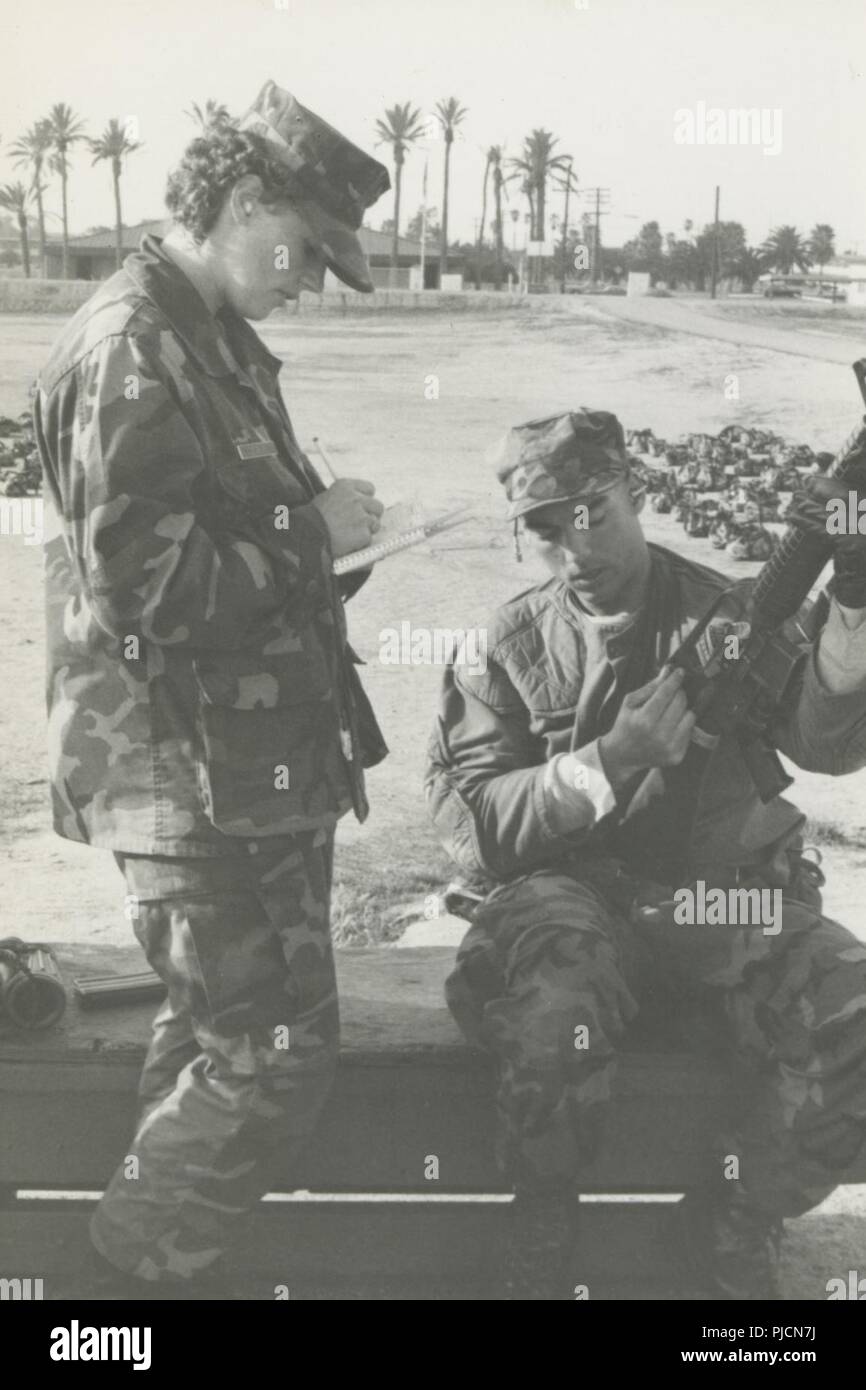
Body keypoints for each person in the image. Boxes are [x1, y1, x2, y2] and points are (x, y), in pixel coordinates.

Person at [34, 80, 390, 1298]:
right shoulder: (134, 345)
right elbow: (147, 588)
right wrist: (314, 528)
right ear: (245, 201)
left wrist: (304, 528)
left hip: (239, 770)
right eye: (306, 250)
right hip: (187, 777)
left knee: (211, 1039)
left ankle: (162, 1277)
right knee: (273, 1056)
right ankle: (110, 1292)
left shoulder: (205, 333)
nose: (309, 280)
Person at [425, 408, 866, 1300]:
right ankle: (545, 1216)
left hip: (710, 906)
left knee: (851, 1003)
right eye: (547, 531)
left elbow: (828, 743)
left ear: (635, 493)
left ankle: (735, 1218)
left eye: (593, 513)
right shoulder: (503, 648)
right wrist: (605, 763)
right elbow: (471, 828)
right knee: (557, 987)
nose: (574, 546)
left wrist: (852, 601)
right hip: (575, 898)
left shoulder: (726, 614)